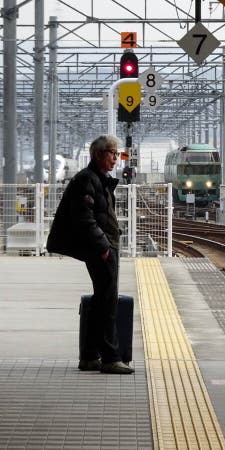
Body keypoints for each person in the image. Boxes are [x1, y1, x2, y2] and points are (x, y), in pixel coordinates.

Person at [47, 135, 134, 375]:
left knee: (100, 301)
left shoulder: (98, 179)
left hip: (103, 247)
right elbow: (85, 218)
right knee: (107, 303)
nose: (116, 159)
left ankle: (89, 356)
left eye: (117, 154)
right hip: (101, 250)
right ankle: (109, 357)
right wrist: (104, 246)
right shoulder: (87, 180)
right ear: (98, 154)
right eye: (112, 153)